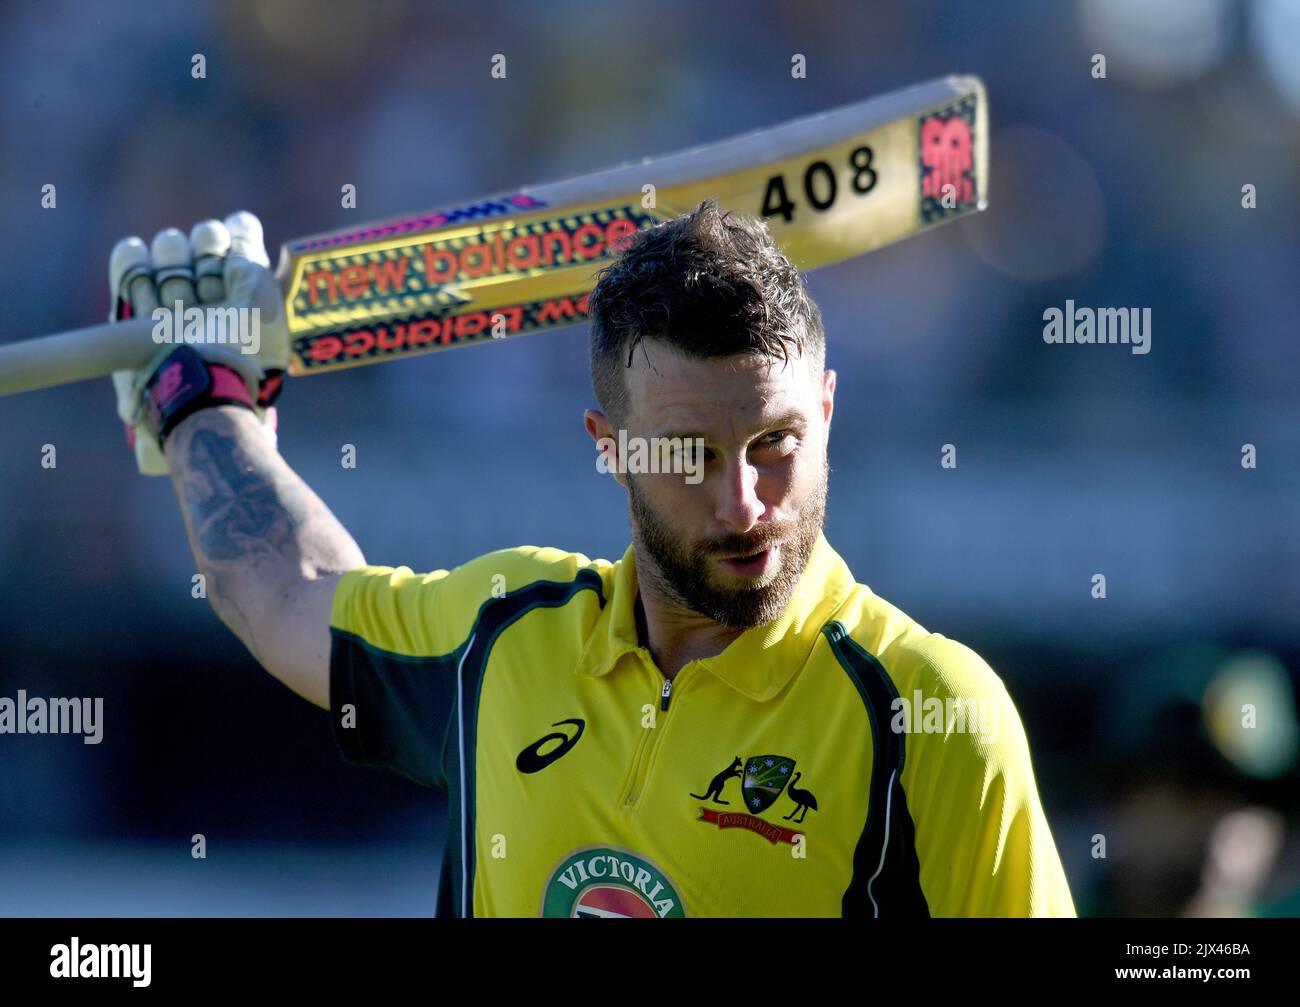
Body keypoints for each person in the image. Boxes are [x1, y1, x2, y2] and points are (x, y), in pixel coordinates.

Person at [108, 199, 1076, 918]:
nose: (743, 502)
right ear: (607, 445)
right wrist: (202, 399)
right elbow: (284, 586)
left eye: (775, 444)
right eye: (689, 454)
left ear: (826, 409)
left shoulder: (931, 712)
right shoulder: (506, 630)